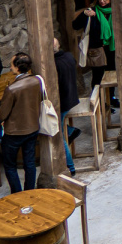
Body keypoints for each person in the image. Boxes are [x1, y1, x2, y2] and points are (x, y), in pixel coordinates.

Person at [0, 53, 43, 192]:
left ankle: (17, 194)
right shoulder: (37, 81)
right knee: (30, 162)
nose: (10, 67)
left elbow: (2, 114)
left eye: (11, 65)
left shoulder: (12, 89)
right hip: (33, 127)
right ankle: (29, 191)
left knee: (10, 166)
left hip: (14, 132)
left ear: (17, 67)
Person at [73, 0, 116, 94]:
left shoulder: (113, 12)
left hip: (111, 48)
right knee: (97, 77)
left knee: (111, 75)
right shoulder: (91, 11)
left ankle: (111, 98)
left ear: (110, 0)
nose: (102, 1)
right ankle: (98, 100)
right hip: (97, 50)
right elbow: (75, 25)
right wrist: (84, 14)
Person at [52, 35, 80, 170]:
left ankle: (70, 166)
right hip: (72, 97)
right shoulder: (69, 56)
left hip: (63, 103)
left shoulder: (54, 64)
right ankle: (70, 130)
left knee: (58, 133)